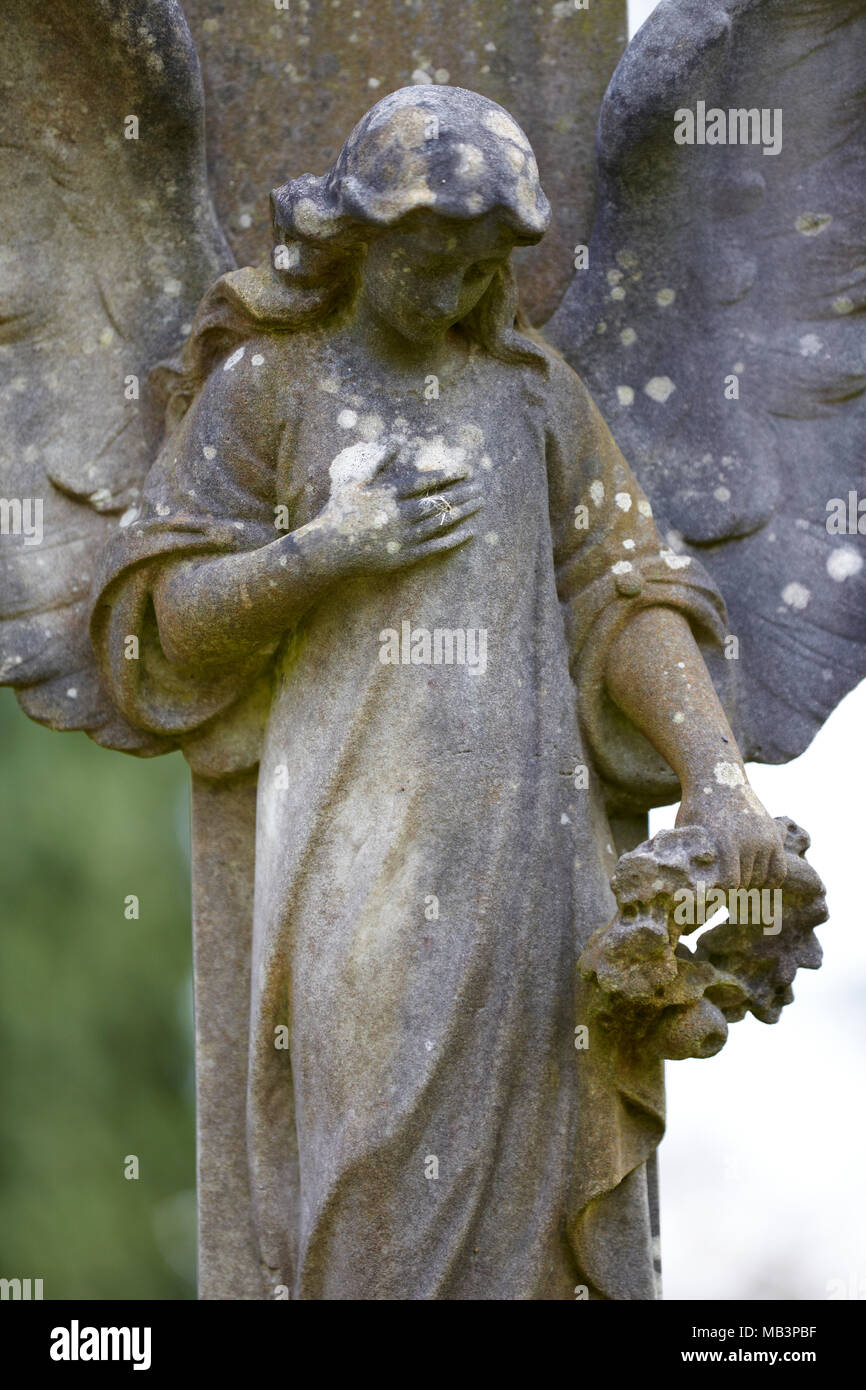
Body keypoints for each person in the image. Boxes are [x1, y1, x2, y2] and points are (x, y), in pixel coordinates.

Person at [92, 86, 784, 1299]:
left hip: (533, 868)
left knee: (535, 1203)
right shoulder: (271, 386)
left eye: (478, 268)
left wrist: (715, 779)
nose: (453, 291)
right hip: (355, 856)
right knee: (368, 1171)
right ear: (357, 238)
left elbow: (627, 593)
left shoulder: (533, 396)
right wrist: (325, 550)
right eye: (427, 260)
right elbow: (164, 630)